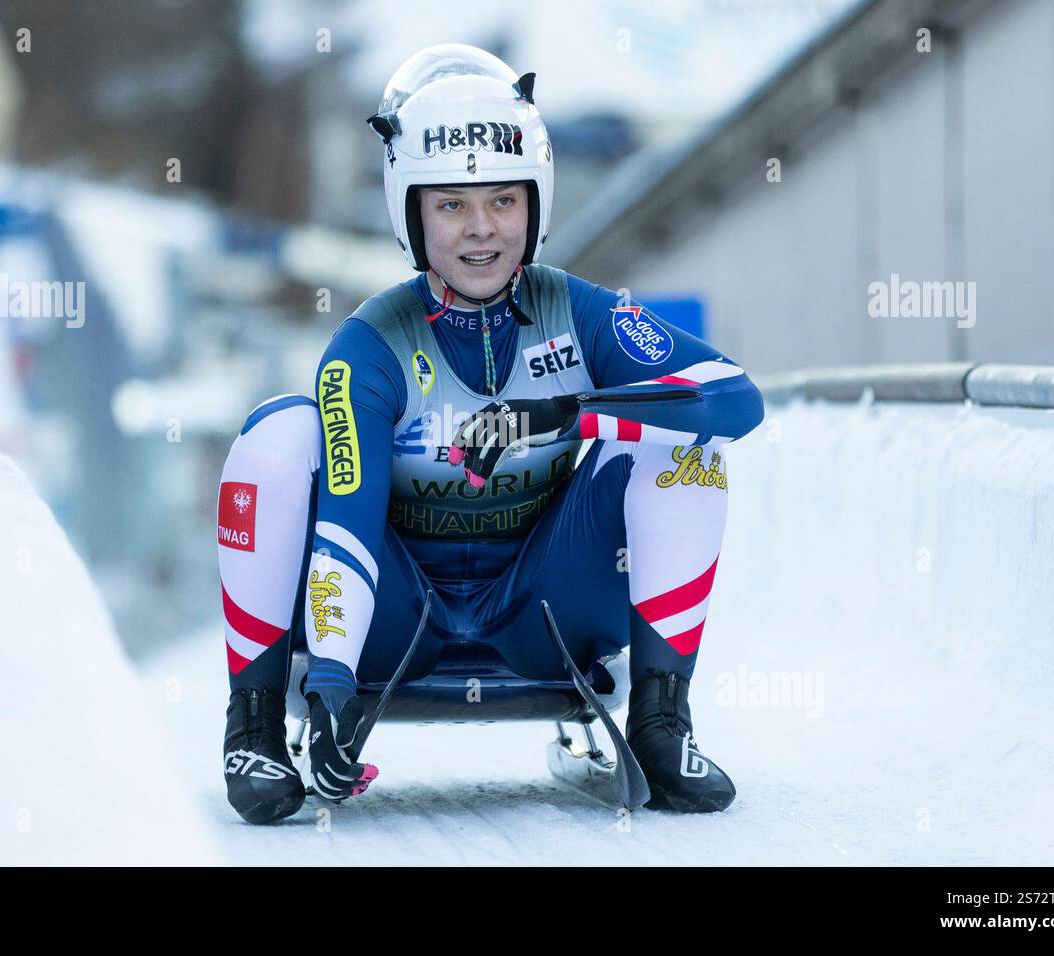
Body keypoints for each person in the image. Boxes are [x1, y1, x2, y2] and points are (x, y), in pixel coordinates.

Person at [217, 44, 764, 824]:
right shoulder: (368, 347)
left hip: (545, 610)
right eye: (451, 205)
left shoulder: (578, 311)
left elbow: (734, 398)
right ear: (411, 211)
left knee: (682, 444)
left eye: (503, 201)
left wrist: (573, 413)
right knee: (278, 433)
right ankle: (256, 727)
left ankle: (661, 723)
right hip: (393, 624)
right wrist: (333, 679)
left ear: (535, 206)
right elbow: (346, 521)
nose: (482, 231)